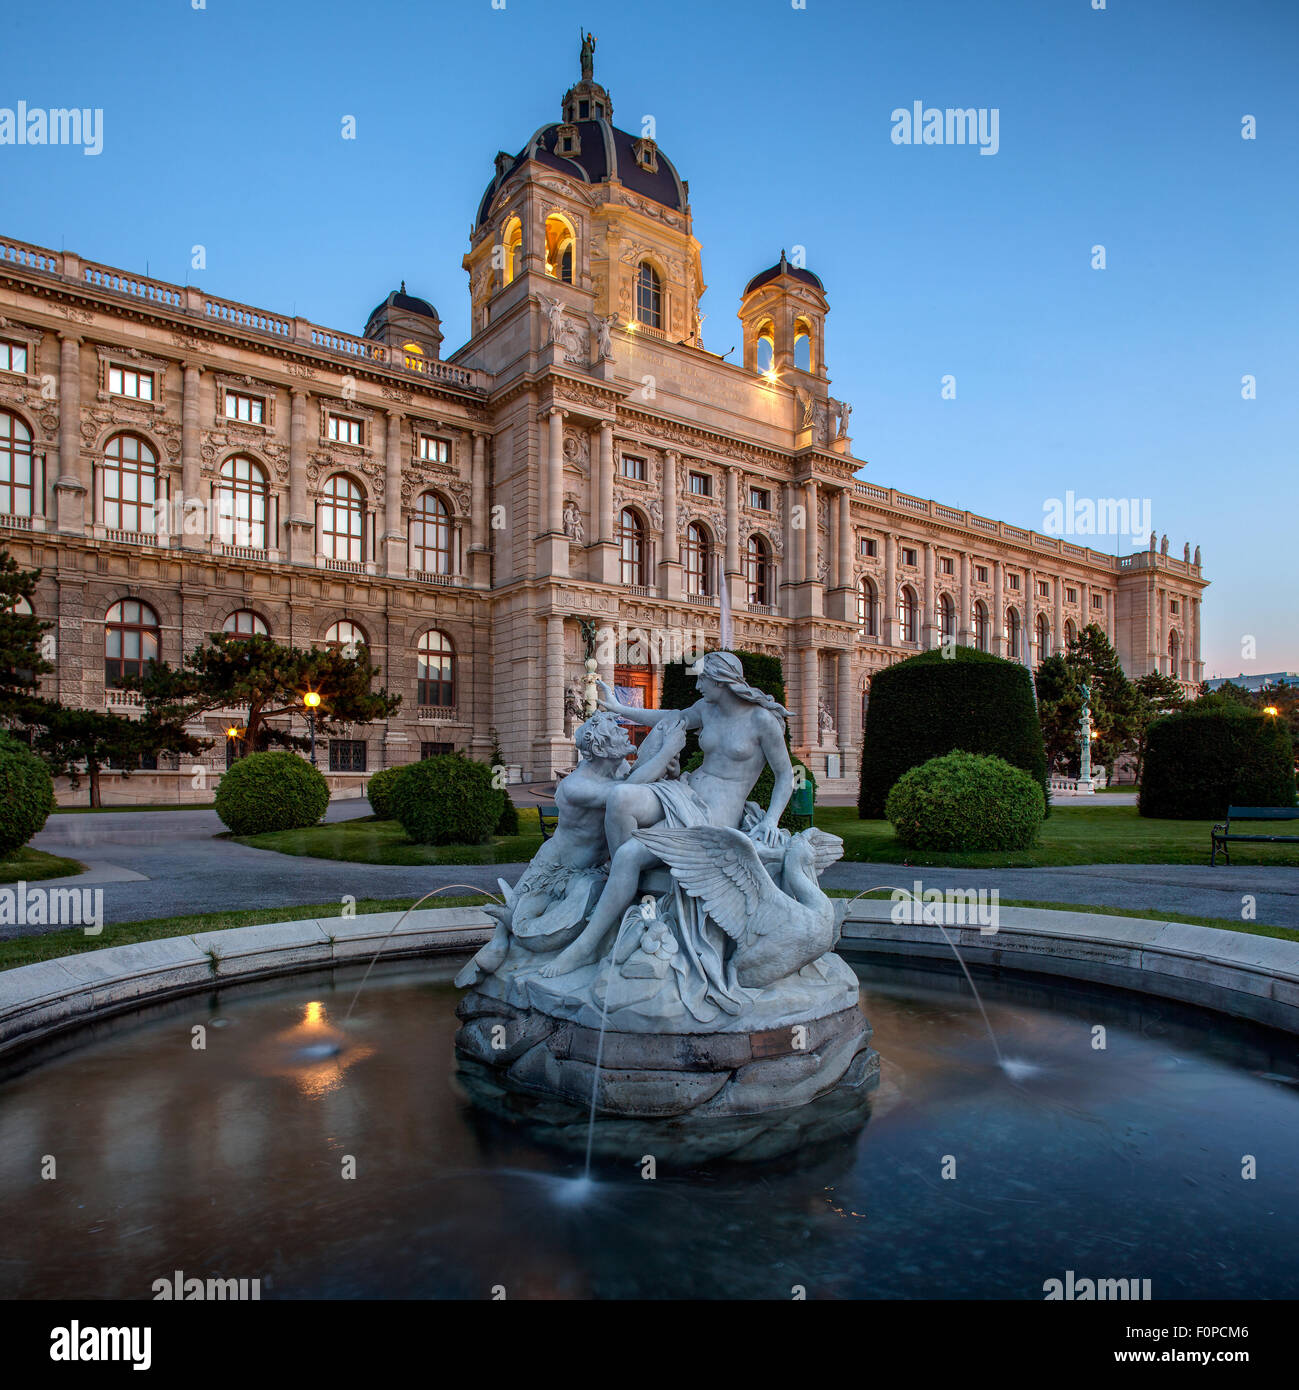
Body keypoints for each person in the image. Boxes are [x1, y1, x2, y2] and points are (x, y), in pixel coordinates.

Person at [540, 650, 793, 979]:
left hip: (715, 812)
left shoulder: (762, 720)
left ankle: (587, 944)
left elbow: (786, 776)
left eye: (703, 679)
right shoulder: (707, 709)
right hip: (685, 791)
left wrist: (771, 819)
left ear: (723, 681)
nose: (698, 685)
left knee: (631, 853)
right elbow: (669, 717)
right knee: (621, 796)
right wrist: (619, 708)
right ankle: (625, 892)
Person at [455, 710, 685, 986]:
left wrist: (671, 770)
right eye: (616, 731)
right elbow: (625, 792)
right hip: (557, 866)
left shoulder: (622, 769)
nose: (625, 731)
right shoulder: (577, 785)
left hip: (592, 868)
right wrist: (667, 750)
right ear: (600, 748)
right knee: (520, 910)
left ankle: (583, 947)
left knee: (552, 916)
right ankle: (499, 942)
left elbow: (643, 790)